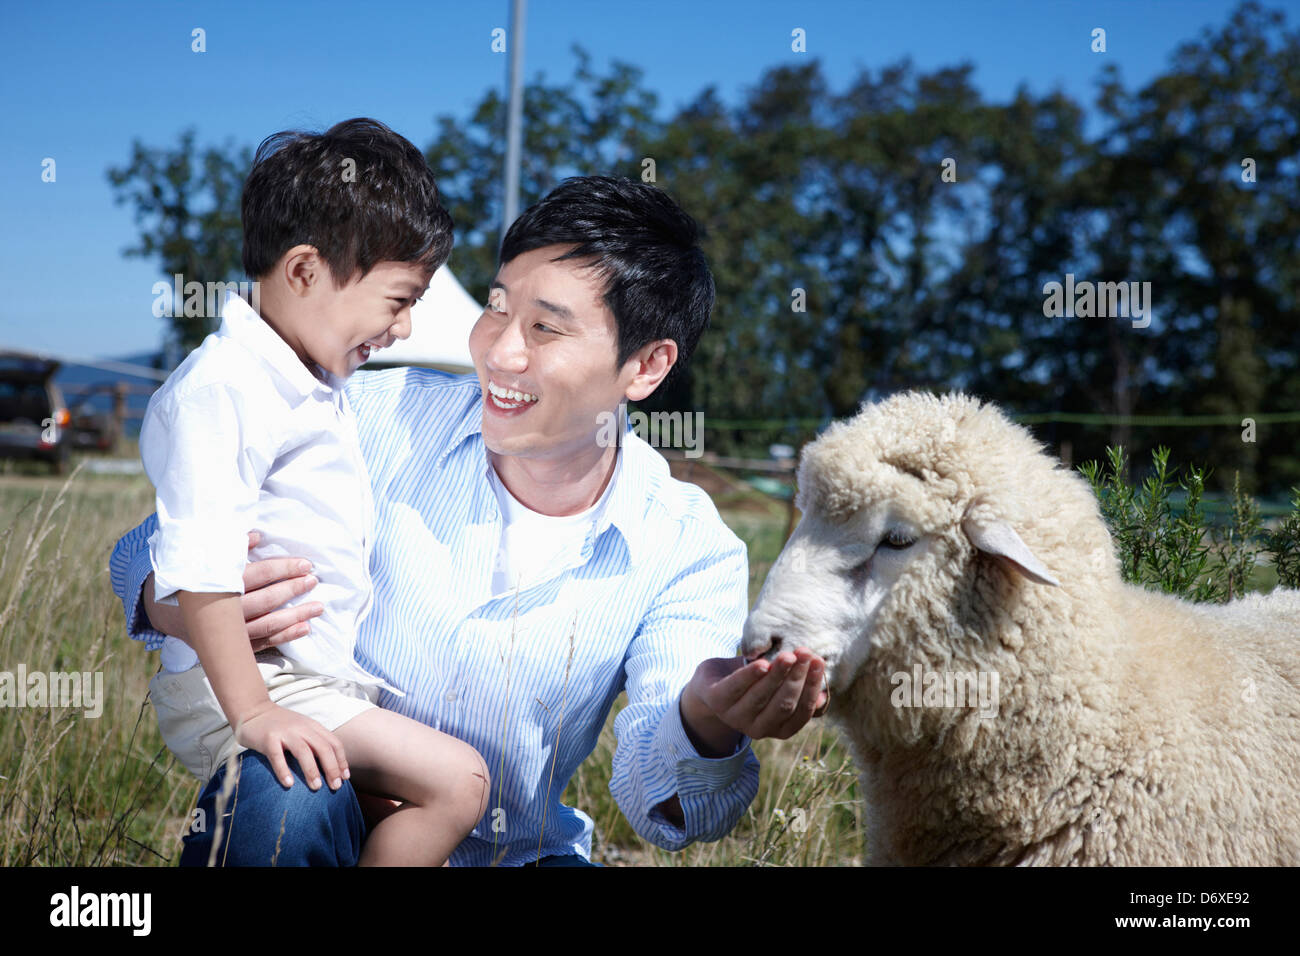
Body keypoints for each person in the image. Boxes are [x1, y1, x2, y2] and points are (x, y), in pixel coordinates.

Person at [111, 173, 828, 867]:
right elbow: (151, 541)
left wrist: (707, 719)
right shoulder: (366, 414)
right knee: (279, 795)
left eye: (546, 328)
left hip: (513, 853)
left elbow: (659, 806)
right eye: (496, 308)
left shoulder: (688, 545)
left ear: (645, 367)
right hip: (327, 805)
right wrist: (174, 597)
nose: (499, 350)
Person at [134, 117, 490, 866]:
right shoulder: (223, 388)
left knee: (406, 800)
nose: (404, 327)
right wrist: (256, 712)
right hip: (253, 686)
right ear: (303, 271)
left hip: (302, 683)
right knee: (459, 783)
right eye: (398, 299)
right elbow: (197, 564)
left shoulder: (307, 380)